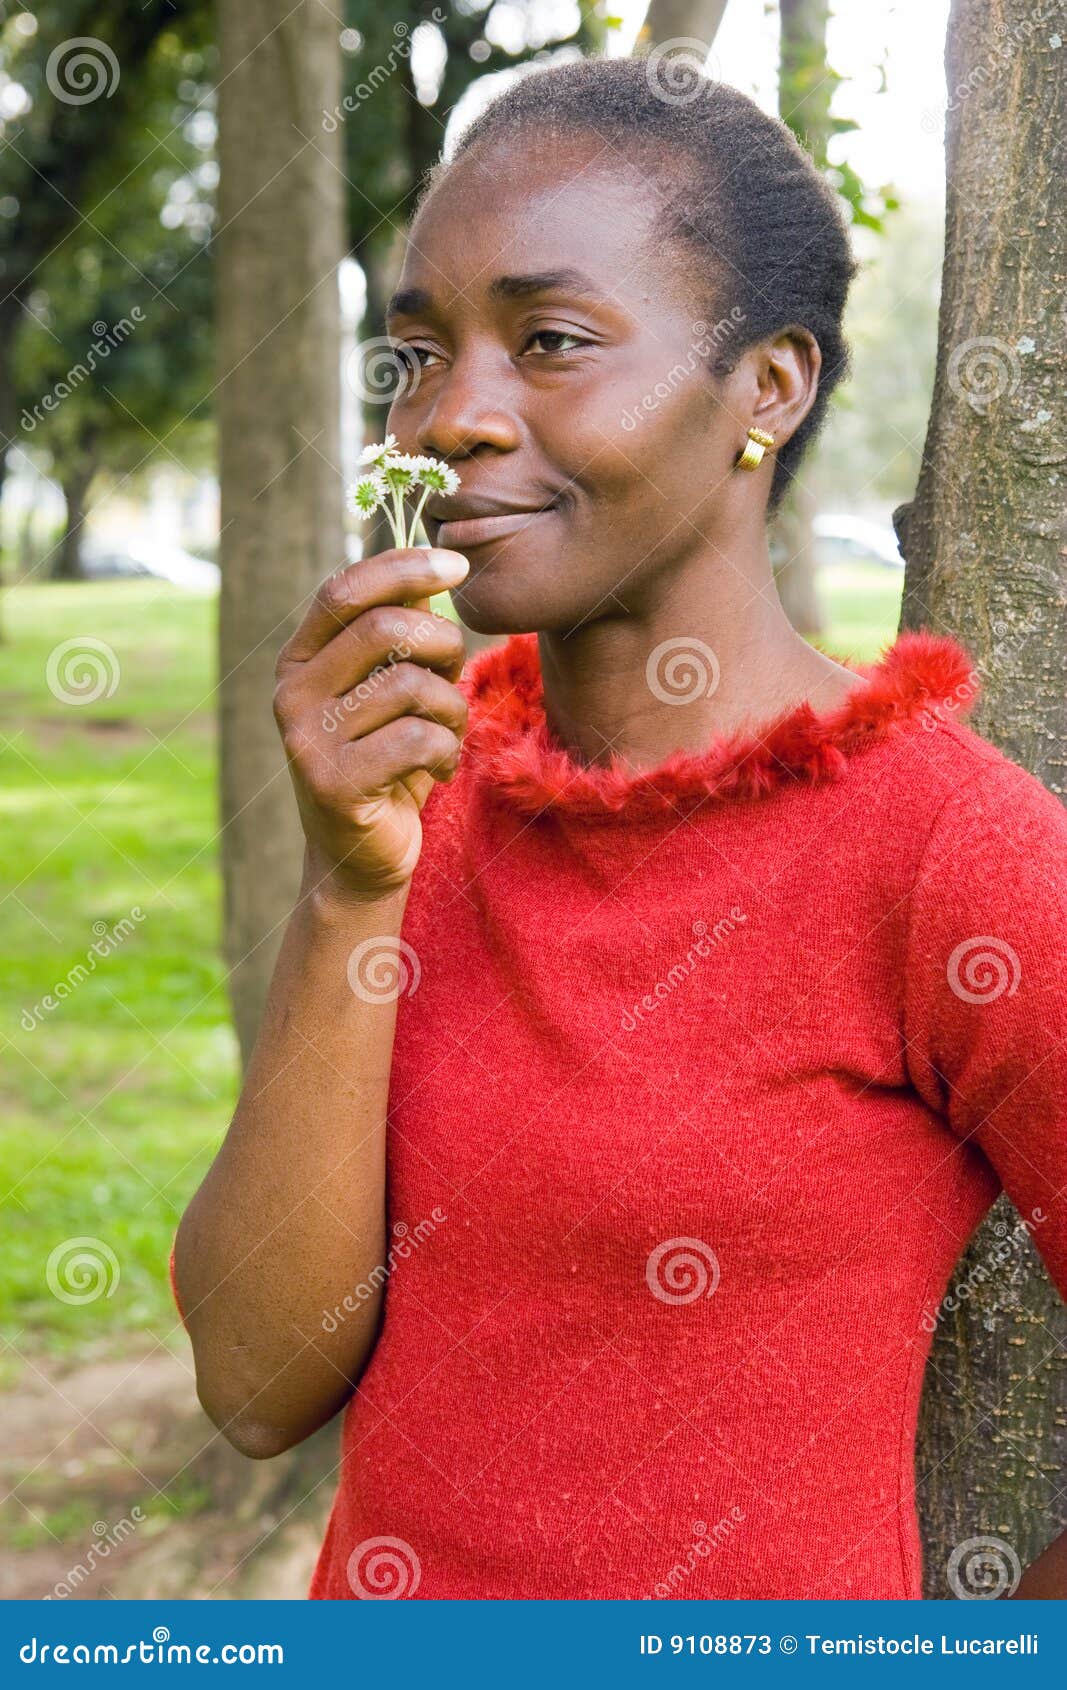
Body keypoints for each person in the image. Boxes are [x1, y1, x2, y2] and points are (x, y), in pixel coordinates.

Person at [172, 57, 1067, 1600]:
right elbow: (258, 1382)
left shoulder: (945, 853)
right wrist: (346, 890)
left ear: (767, 387)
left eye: (552, 343)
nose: (450, 417)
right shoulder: (417, 793)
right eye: (416, 351)